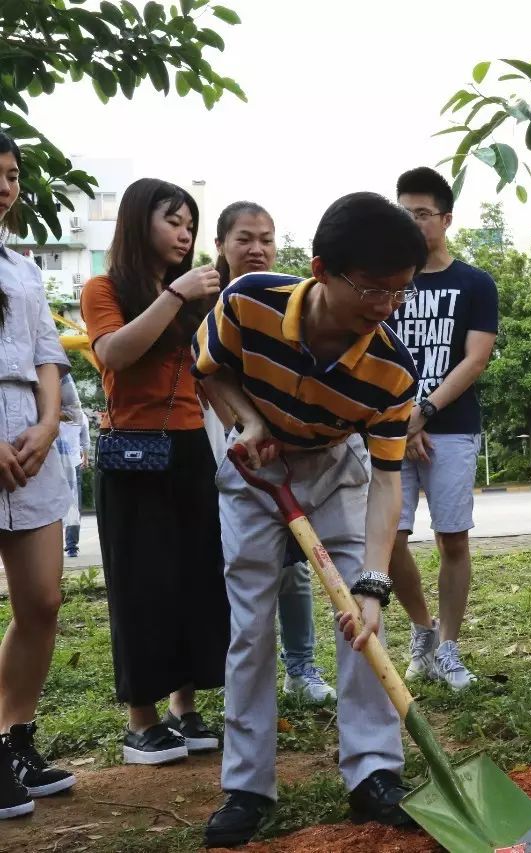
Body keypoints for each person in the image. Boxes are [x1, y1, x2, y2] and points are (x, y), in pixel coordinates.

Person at [194, 192, 425, 847]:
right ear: (322, 269)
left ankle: (374, 774)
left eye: (399, 294)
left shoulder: (391, 371)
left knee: (362, 620)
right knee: (251, 625)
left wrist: (375, 583)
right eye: (373, 291)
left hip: (335, 467)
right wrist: (249, 419)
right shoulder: (249, 302)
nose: (385, 308)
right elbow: (208, 367)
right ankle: (246, 785)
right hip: (254, 469)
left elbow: (386, 479)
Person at [80, 178, 227, 767]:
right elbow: (113, 352)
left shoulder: (197, 297)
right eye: (173, 220)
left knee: (194, 575)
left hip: (190, 446)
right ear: (140, 222)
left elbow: (212, 370)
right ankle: (140, 721)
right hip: (132, 452)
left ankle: (183, 707)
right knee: (141, 583)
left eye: (190, 222)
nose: (185, 232)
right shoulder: (104, 288)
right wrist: (174, 296)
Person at [208, 201, 336, 706]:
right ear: (221, 245)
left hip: (288, 455)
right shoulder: (212, 302)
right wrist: (245, 427)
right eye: (244, 238)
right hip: (236, 454)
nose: (257, 248)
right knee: (248, 573)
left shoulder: (289, 301)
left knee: (295, 565)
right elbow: (210, 377)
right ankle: (246, 686)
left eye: (266, 237)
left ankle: (300, 668)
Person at [389, 167, 498, 691]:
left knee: (452, 538)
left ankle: (449, 647)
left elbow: (474, 360)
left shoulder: (475, 283)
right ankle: (423, 632)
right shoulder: (385, 281)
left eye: (421, 214)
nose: (411, 223)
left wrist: (423, 413)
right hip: (389, 429)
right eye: (402, 213)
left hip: (450, 429)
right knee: (388, 538)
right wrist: (401, 421)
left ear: (446, 219)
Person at [0, 131, 79, 819]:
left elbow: (50, 351)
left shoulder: (22, 266)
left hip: (30, 432)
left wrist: (51, 422)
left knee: (43, 600)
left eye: (11, 173)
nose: (4, 184)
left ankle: (13, 735)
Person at [56, 374, 89, 558]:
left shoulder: (79, 416)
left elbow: (85, 439)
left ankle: (71, 546)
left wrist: (85, 456)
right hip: (52, 460)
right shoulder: (41, 413)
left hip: (73, 463)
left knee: (73, 506)